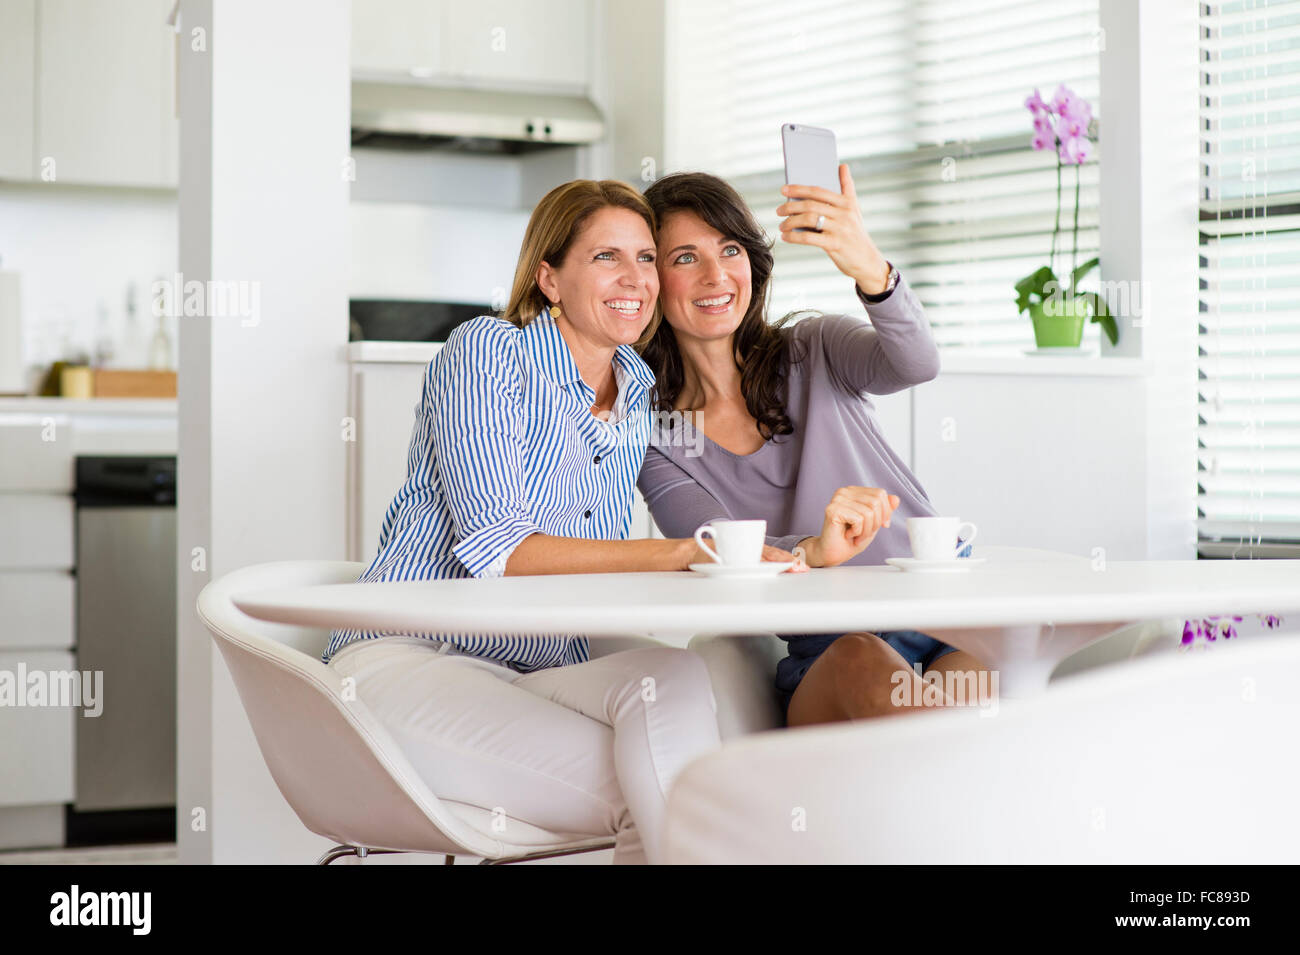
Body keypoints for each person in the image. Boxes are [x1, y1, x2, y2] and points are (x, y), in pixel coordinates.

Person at [324, 179, 791, 865]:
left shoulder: (634, 389)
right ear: (549, 276)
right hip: (411, 658)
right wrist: (678, 554)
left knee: (676, 676)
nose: (636, 278)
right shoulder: (489, 351)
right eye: (607, 257)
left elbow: (592, 564)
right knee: (679, 789)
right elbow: (497, 548)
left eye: (644, 258)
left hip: (530, 664)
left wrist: (769, 553)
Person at [637, 167, 992, 728]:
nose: (715, 276)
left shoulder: (815, 347)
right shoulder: (656, 437)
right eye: (684, 258)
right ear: (651, 279)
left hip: (940, 608)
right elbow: (712, 547)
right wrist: (812, 550)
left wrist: (867, 265)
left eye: (730, 249)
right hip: (832, 646)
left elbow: (917, 363)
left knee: (968, 717)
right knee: (869, 670)